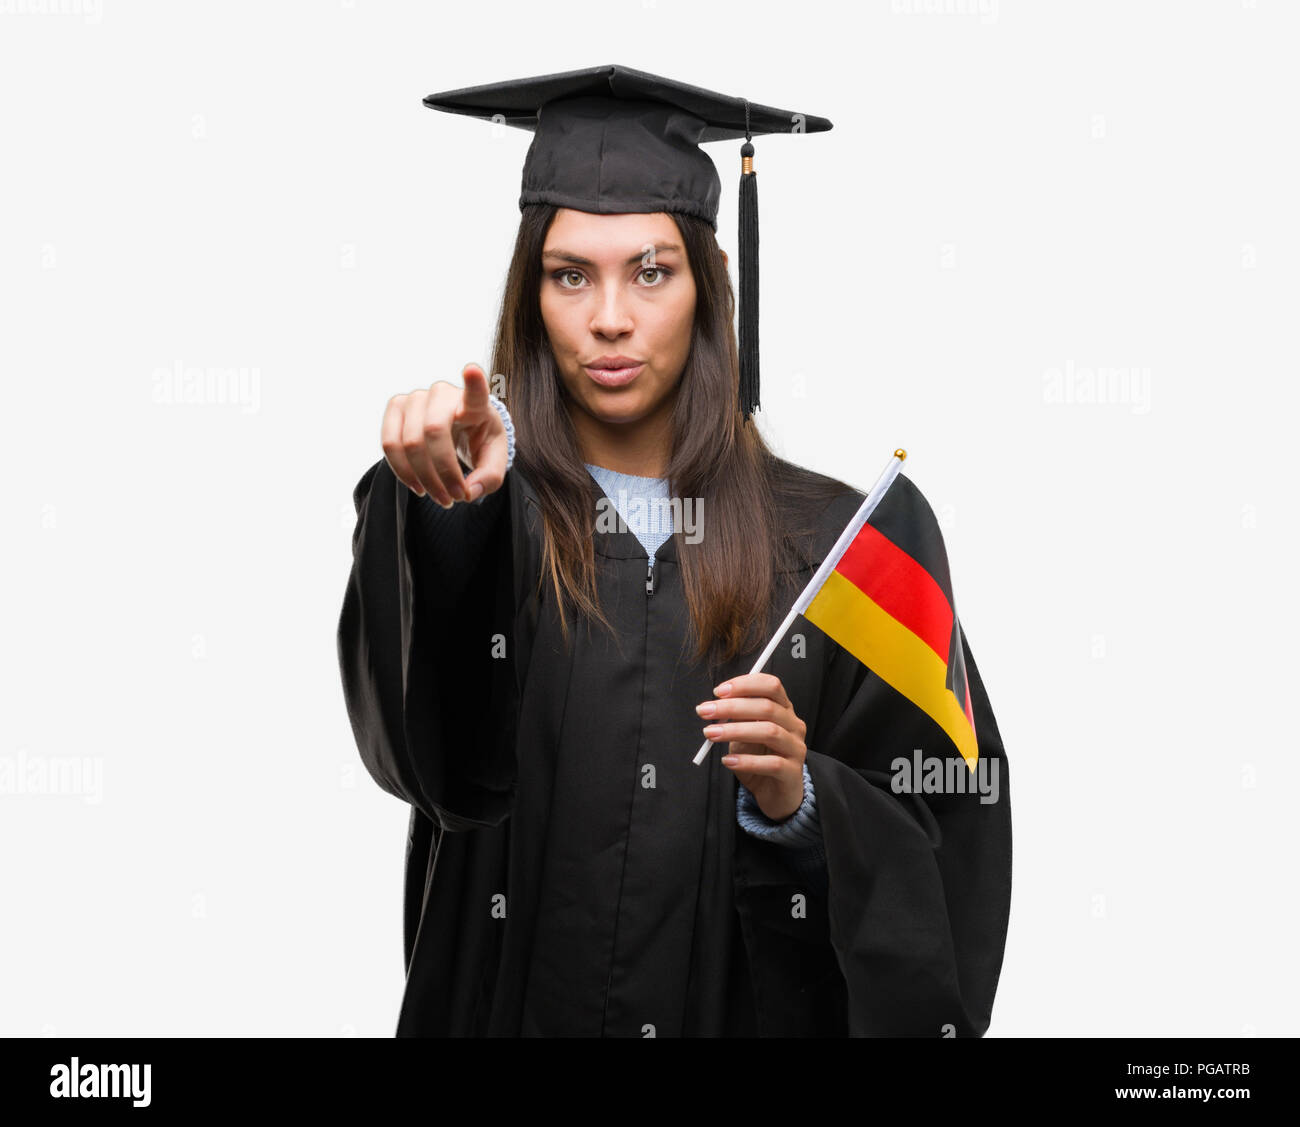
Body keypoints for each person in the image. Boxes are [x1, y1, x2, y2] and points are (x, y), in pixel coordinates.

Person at [336, 65, 1012, 1037]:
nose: (610, 314)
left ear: (710, 287)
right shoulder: (469, 508)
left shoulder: (837, 545)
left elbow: (955, 805)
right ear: (530, 296)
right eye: (570, 273)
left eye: (650, 269)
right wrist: (449, 519)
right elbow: (435, 770)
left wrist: (804, 799)